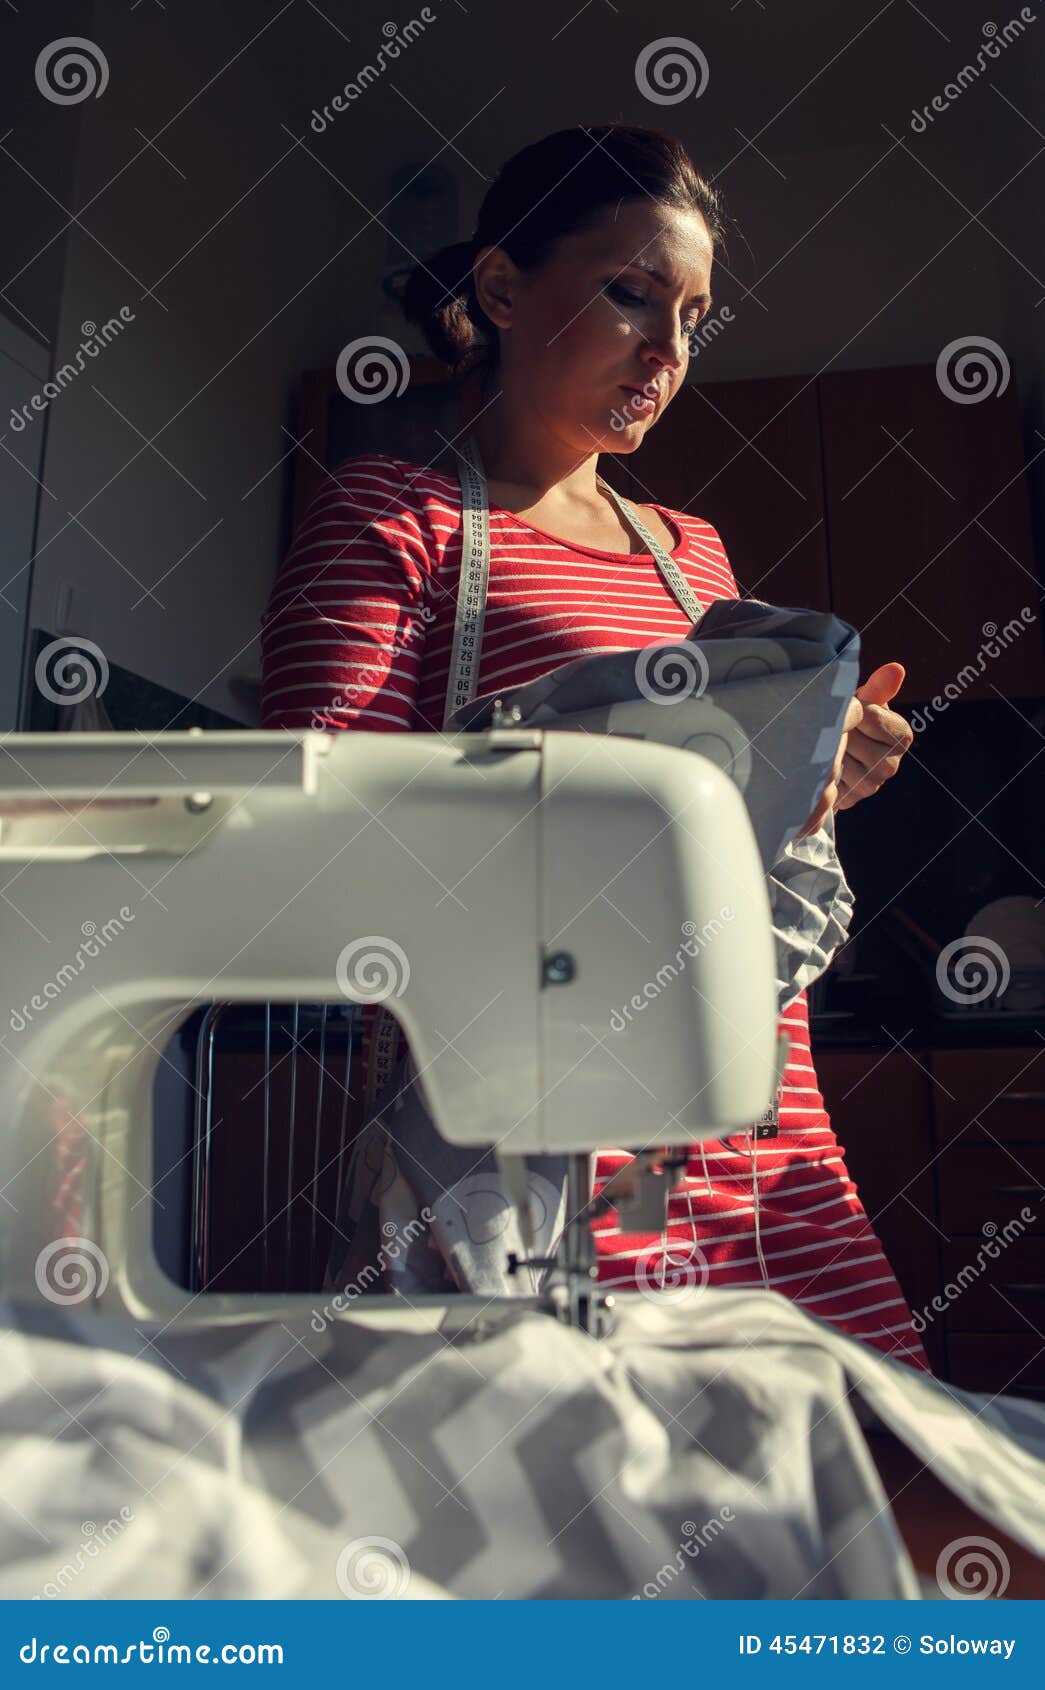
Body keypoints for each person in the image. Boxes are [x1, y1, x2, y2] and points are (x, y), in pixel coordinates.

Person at [259, 123, 928, 1371]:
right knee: (575, 1506)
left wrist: (813, 777)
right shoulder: (390, 520)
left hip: (758, 1115)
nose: (668, 353)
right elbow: (313, 851)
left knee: (852, 1496)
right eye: (629, 295)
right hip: (535, 1137)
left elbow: (727, 841)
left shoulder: (697, 555)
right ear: (503, 288)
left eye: (693, 316)